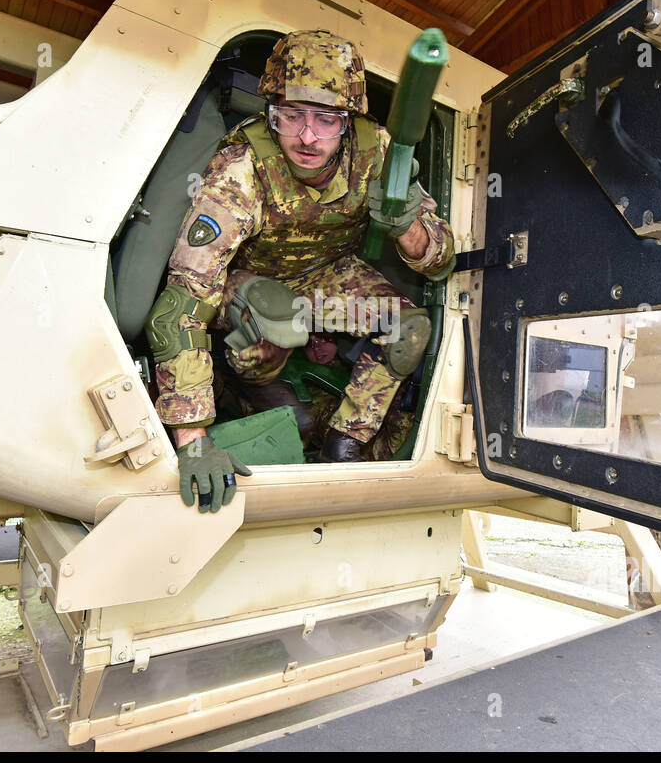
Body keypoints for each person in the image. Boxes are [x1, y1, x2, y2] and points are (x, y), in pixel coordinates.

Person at [146, 30, 456, 511]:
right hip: (245, 279)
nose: (308, 136)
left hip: (325, 271)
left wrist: (406, 224)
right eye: (292, 116)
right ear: (272, 114)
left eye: (327, 120)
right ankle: (247, 377)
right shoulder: (244, 168)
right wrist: (194, 441)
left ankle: (342, 446)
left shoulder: (378, 154)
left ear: (349, 121)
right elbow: (182, 302)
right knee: (277, 316)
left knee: (408, 328)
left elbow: (440, 261)